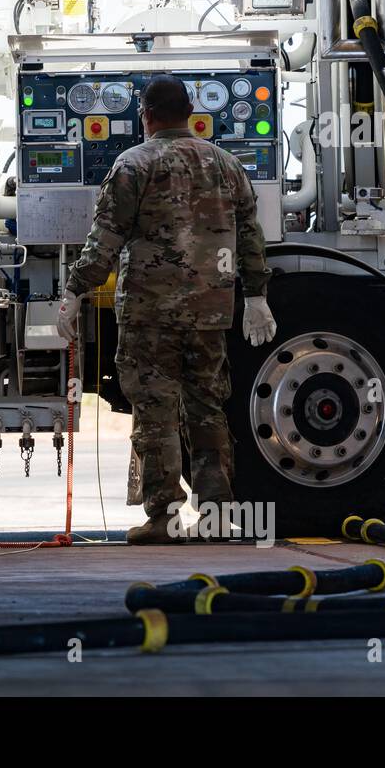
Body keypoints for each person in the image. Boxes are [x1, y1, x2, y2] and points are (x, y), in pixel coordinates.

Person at [56, 74, 276, 545]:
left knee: (155, 410)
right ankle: (217, 513)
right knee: (207, 407)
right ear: (191, 114)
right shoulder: (226, 164)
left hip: (149, 312)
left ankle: (165, 515)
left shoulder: (134, 164)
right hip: (211, 310)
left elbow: (106, 239)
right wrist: (255, 295)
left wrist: (75, 291)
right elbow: (250, 238)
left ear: (146, 115)